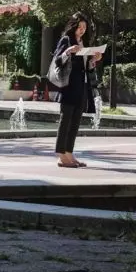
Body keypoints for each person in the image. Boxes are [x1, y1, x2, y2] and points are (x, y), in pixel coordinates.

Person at [52, 12, 102, 168]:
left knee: (75, 123)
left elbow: (86, 69)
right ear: (73, 26)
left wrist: (94, 60)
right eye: (79, 27)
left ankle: (69, 154)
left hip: (82, 88)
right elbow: (57, 61)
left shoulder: (84, 44)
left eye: (84, 27)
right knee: (65, 121)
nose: (82, 30)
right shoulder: (66, 40)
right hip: (68, 87)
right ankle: (61, 156)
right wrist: (68, 52)